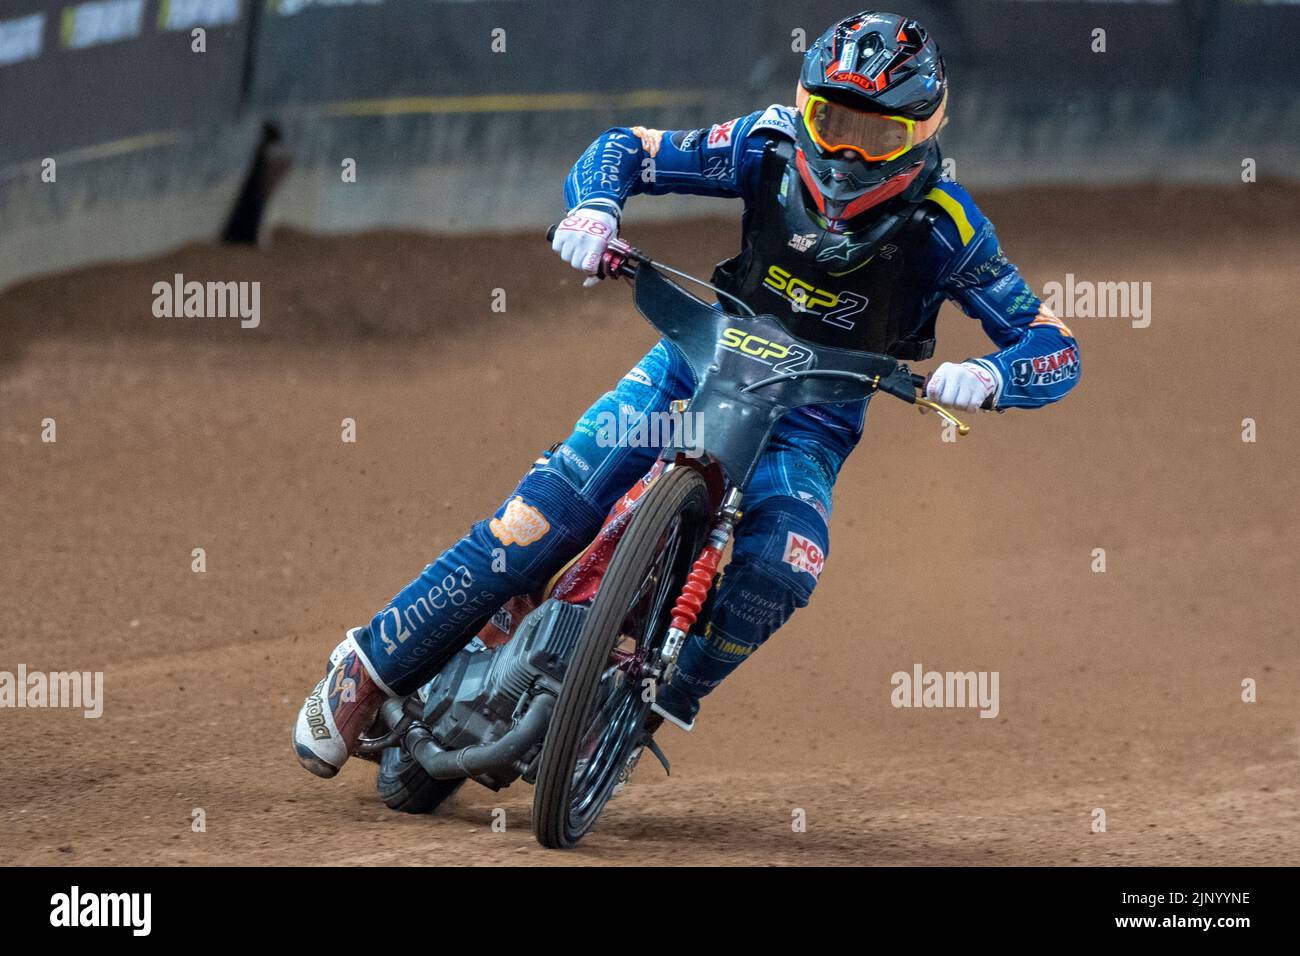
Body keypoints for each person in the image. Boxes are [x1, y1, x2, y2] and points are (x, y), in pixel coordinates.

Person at [294, 10, 1080, 779]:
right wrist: (594, 206)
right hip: (693, 365)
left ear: (921, 134)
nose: (843, 151)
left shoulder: (950, 226)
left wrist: (991, 376)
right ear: (804, 105)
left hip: (808, 423)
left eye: (875, 134)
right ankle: (364, 668)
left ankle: (660, 701)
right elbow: (627, 149)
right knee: (539, 520)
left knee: (785, 566)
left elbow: (1056, 347)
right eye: (831, 119)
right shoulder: (766, 145)